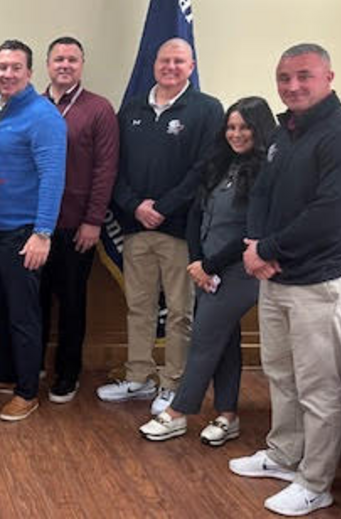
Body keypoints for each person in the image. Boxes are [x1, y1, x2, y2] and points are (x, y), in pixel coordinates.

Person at [230, 44, 341, 517]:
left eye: (304, 76)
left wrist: (267, 252)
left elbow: (331, 216)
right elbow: (261, 192)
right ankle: (284, 455)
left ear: (328, 76)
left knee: (318, 387)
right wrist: (256, 246)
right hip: (274, 277)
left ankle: (315, 482)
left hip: (317, 282)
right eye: (284, 77)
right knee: (280, 373)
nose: (292, 86)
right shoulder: (284, 132)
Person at [137, 96, 276, 446]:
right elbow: (197, 213)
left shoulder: (267, 173)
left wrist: (209, 266)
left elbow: (252, 232)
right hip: (206, 268)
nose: (237, 133)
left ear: (259, 130)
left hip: (239, 271)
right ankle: (228, 416)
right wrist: (197, 262)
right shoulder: (221, 164)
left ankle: (179, 412)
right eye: (231, 126)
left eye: (245, 127)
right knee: (225, 341)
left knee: (203, 339)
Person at [98, 37, 223, 415]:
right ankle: (138, 376)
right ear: (154, 64)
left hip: (179, 230)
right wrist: (136, 206)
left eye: (179, 61)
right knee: (139, 307)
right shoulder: (132, 108)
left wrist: (164, 208)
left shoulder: (207, 109)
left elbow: (205, 168)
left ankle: (173, 383)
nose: (170, 66)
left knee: (181, 311)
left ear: (192, 65)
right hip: (136, 227)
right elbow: (113, 166)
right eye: (165, 60)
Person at [0, 39, 66, 422]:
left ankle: (27, 391)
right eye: (1, 67)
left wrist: (42, 232)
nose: (7, 74)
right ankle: (9, 374)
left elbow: (52, 177)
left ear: (29, 73)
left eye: (15, 68)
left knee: (23, 315)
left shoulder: (44, 116)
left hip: (24, 233)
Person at [37, 37, 119, 403]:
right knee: (32, 301)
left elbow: (105, 169)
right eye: (58, 59)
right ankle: (32, 364)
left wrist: (93, 220)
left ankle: (67, 374)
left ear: (82, 64)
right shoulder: (31, 106)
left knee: (71, 303)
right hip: (35, 225)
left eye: (72, 59)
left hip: (76, 226)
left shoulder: (99, 109)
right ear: (48, 65)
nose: (65, 65)